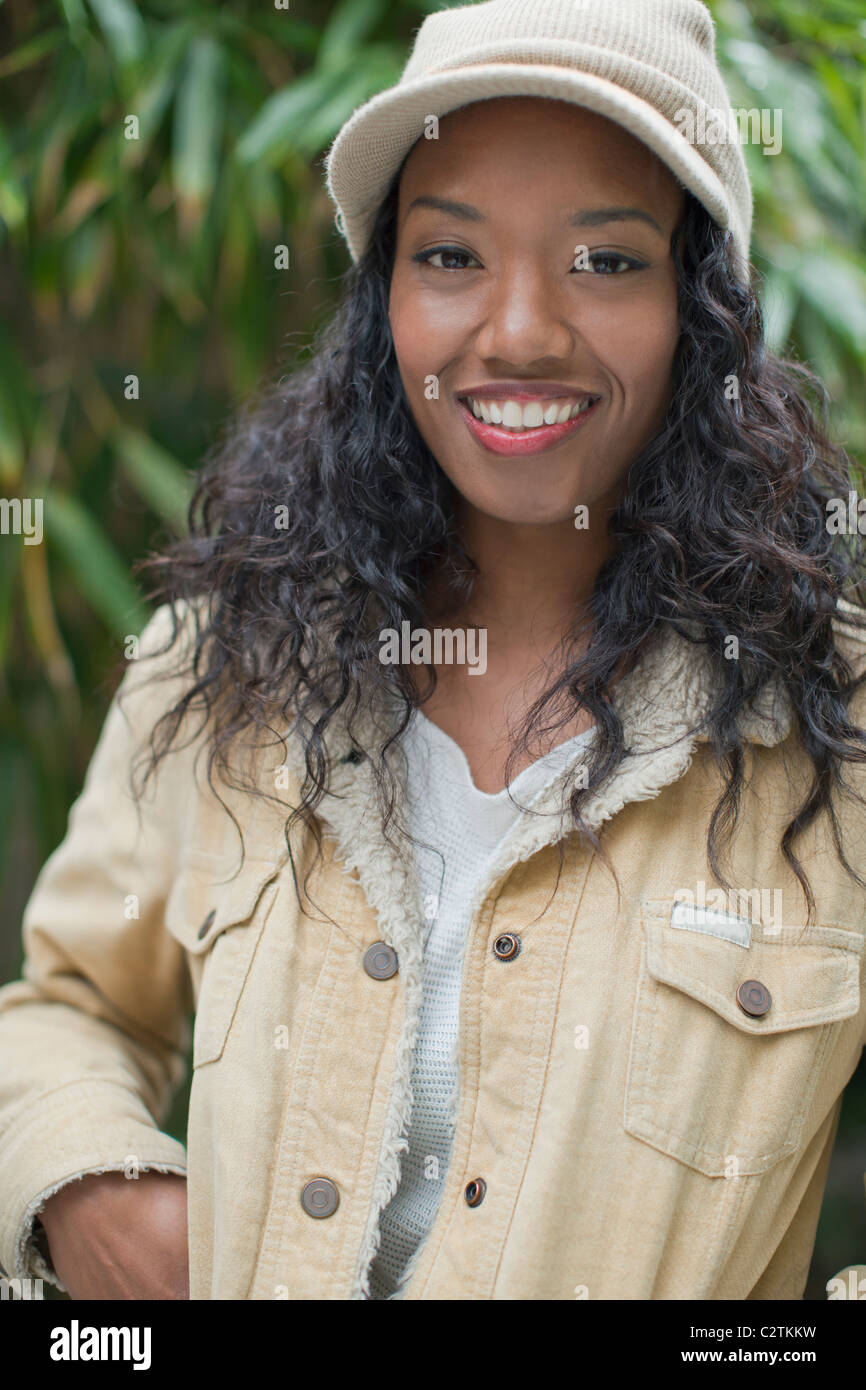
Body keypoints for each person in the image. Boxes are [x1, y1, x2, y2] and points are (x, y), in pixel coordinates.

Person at [1, 0, 865, 1302]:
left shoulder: (828, 720)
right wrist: (92, 1183)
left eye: (606, 261)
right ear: (382, 298)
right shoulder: (225, 656)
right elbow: (67, 1004)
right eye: (449, 254)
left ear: (702, 307)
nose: (516, 329)